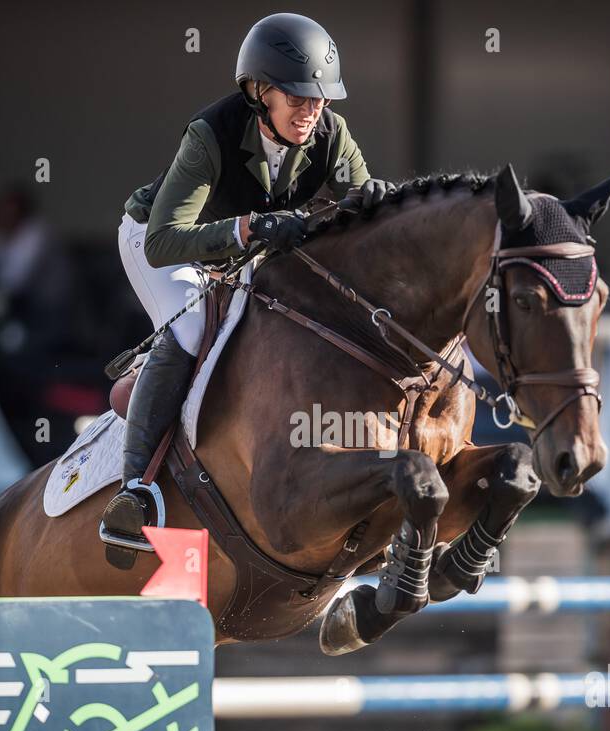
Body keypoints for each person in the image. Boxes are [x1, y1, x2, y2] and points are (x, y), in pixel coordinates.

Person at [102, 12, 394, 561]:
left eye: (321, 99)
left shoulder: (329, 132)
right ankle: (134, 492)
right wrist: (249, 227)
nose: (314, 111)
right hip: (156, 240)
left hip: (237, 252)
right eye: (300, 98)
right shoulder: (210, 135)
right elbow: (166, 241)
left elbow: (364, 204)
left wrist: (376, 200)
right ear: (260, 92)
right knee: (191, 326)